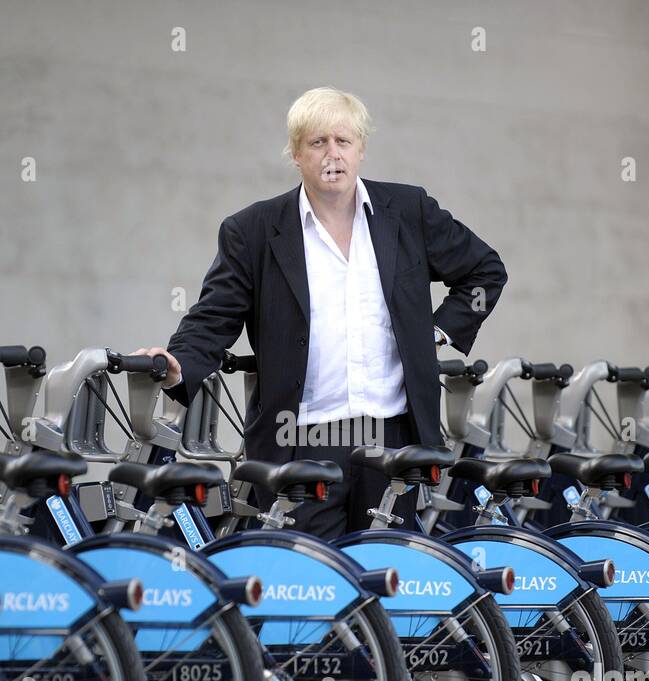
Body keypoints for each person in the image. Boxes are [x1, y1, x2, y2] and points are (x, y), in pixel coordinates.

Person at [137, 87, 507, 538]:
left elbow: (485, 272)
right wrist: (180, 363)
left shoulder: (408, 211)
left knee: (384, 581)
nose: (333, 154)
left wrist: (436, 334)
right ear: (296, 153)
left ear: (362, 149)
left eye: (343, 141)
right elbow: (214, 315)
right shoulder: (253, 230)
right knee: (308, 582)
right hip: (302, 440)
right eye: (317, 143)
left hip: (393, 439)